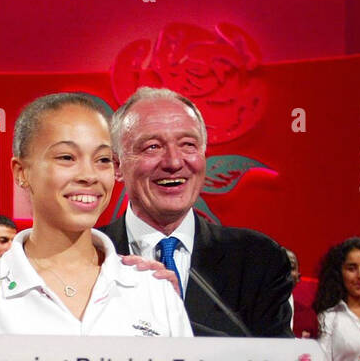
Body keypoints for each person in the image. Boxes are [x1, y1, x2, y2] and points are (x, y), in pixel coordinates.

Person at [0, 92, 192, 361]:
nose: (89, 175)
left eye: (103, 160)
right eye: (66, 157)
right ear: (21, 172)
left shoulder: (154, 293)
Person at [100, 86, 294, 338]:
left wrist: (176, 319)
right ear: (117, 165)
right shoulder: (86, 257)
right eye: (152, 147)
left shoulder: (260, 259)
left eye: (188, 145)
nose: (173, 162)